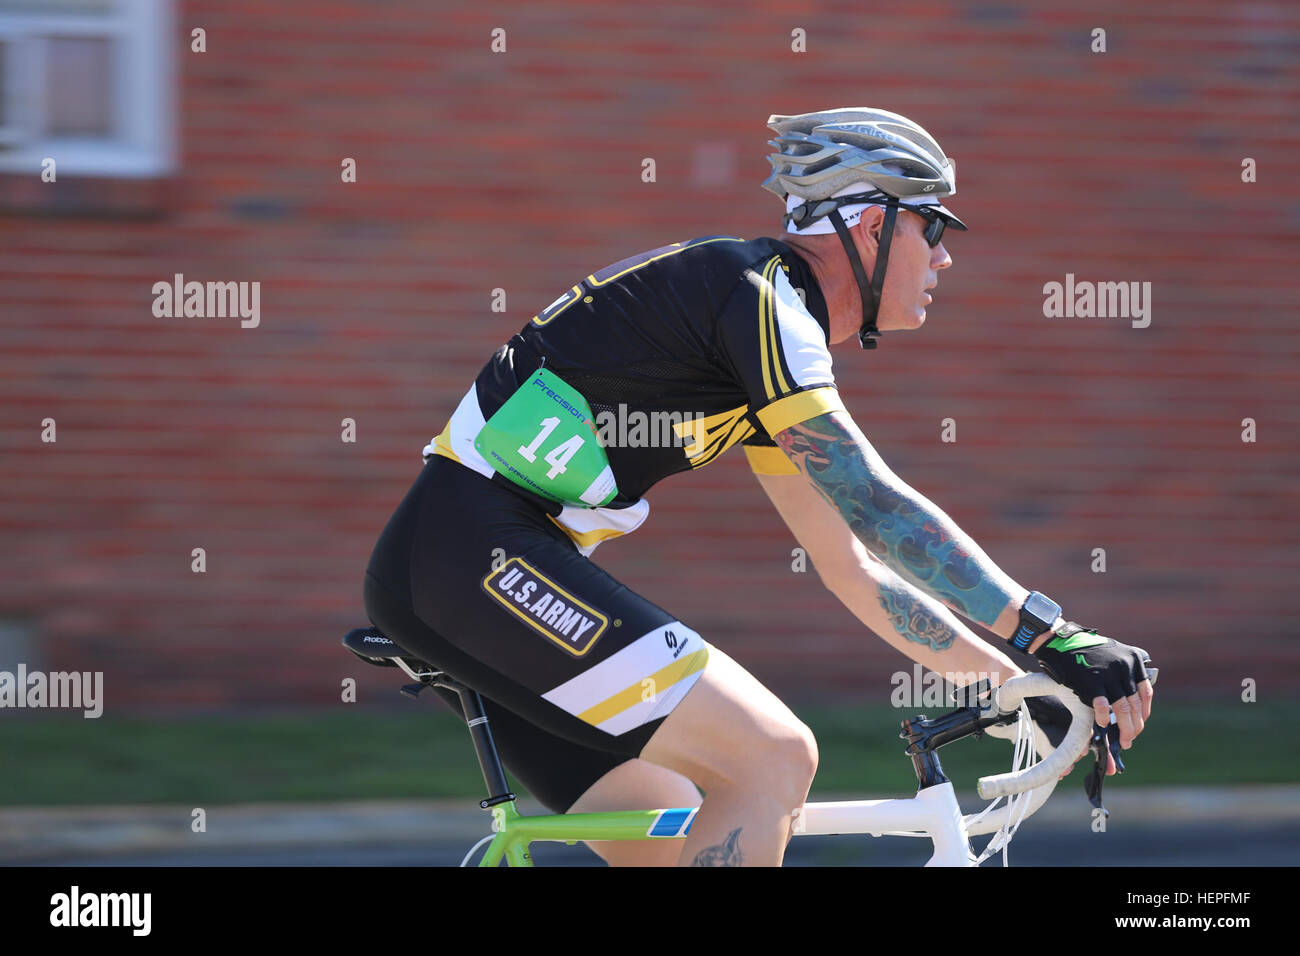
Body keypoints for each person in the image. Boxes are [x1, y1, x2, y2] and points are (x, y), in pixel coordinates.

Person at [362, 107, 1155, 867]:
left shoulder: (764, 336)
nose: (944, 256)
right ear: (873, 226)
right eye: (934, 226)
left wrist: (1013, 685)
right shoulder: (758, 295)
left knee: (678, 833)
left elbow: (850, 563)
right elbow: (873, 501)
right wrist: (1054, 636)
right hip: (474, 557)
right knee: (772, 758)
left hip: (463, 572)